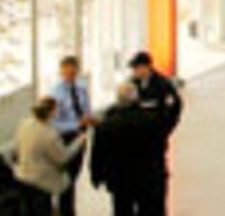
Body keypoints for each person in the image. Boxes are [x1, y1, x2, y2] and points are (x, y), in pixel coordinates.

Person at [88, 83, 164, 216]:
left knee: (122, 210)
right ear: (136, 98)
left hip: (119, 180)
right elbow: (159, 146)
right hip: (147, 177)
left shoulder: (106, 126)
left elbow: (99, 153)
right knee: (148, 209)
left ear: (118, 99)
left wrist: (97, 176)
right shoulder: (151, 120)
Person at [14, 98, 87, 214]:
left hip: (22, 177)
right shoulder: (49, 135)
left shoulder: (24, 124)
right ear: (52, 112)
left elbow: (17, 150)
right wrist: (78, 142)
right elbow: (62, 157)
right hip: (41, 183)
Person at [48, 56, 90, 216]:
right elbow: (54, 123)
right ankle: (66, 211)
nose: (70, 76)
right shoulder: (56, 94)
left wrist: (86, 121)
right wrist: (76, 125)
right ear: (61, 72)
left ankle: (68, 208)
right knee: (66, 179)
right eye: (67, 73)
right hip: (65, 138)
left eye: (73, 73)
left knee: (74, 176)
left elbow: (86, 108)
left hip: (81, 136)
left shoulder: (81, 88)